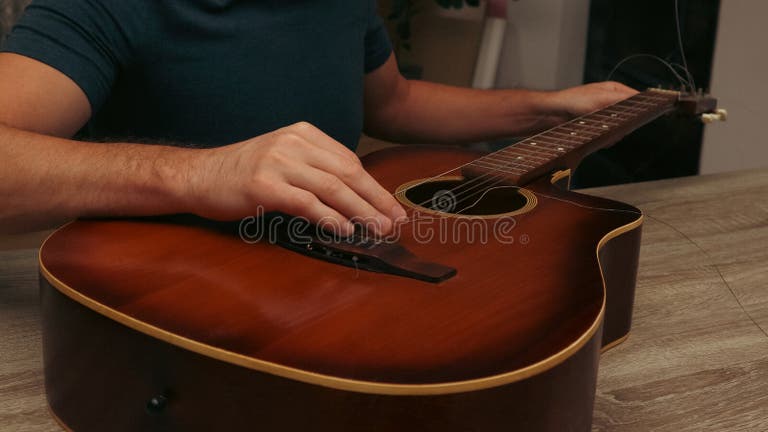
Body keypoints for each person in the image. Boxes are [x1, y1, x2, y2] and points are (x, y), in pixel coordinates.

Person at [0, 0, 635, 236]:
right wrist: (195, 174)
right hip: (172, 330)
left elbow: (395, 103)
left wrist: (550, 106)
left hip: (339, 285)